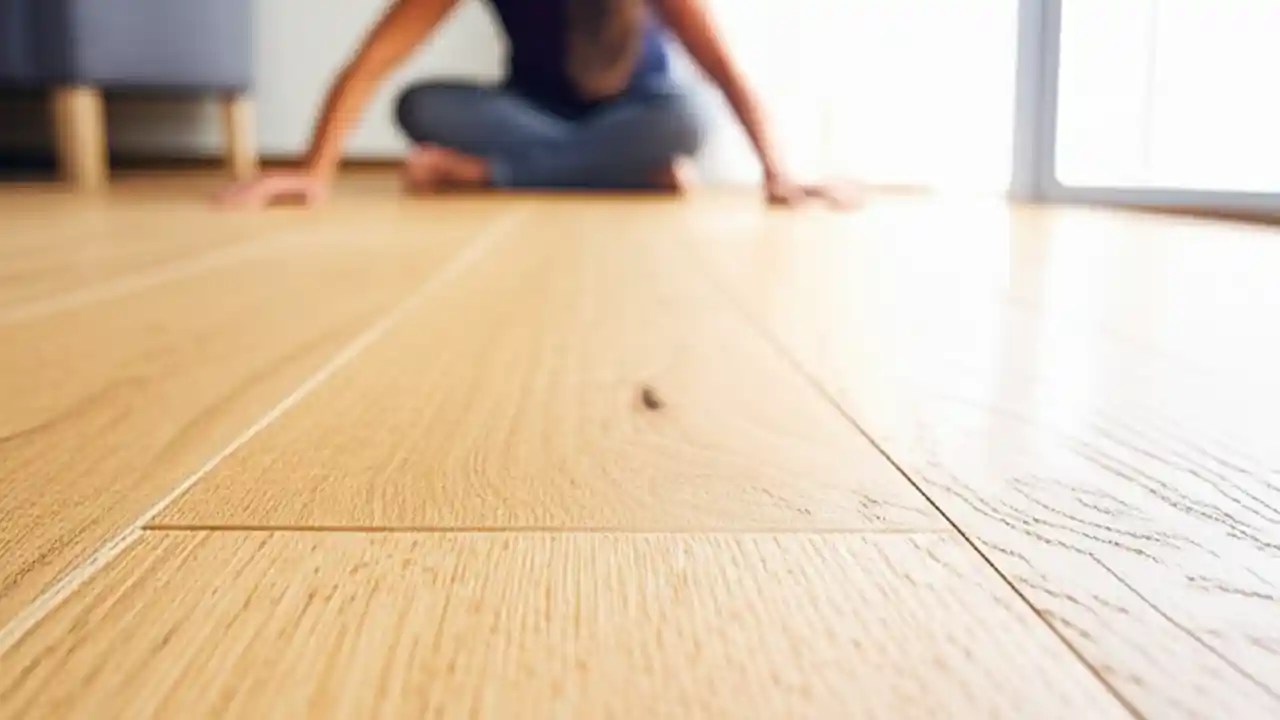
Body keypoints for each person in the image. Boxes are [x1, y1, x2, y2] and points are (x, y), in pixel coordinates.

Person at [219, 0, 854, 208]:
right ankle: (623, 177)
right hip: (532, 116)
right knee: (422, 106)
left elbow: (724, 70)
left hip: (636, 116)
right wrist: (315, 170)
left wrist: (779, 170)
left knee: (685, 118)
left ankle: (493, 177)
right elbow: (375, 62)